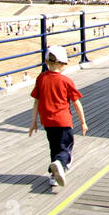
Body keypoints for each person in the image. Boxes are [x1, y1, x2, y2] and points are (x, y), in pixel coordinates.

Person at [29, 45, 88, 189]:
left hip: (47, 122)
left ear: (46, 61)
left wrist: (33, 122)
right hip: (63, 121)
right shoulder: (66, 81)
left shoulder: (41, 79)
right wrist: (83, 122)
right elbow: (76, 103)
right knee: (65, 150)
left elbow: (36, 101)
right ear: (63, 64)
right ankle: (59, 165)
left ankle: (53, 176)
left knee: (54, 148)